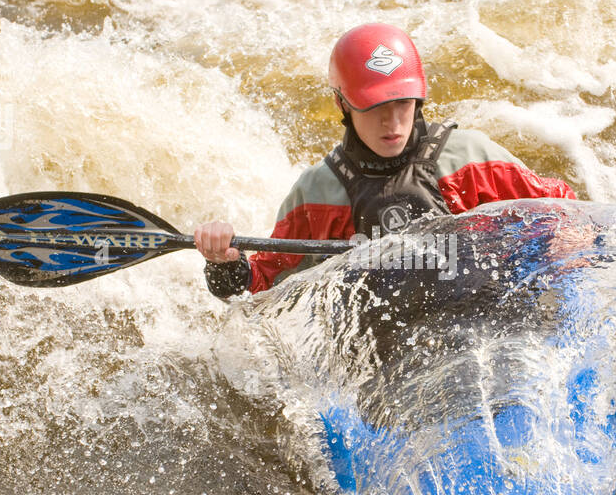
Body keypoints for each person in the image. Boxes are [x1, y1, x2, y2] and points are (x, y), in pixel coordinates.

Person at [195, 23, 577, 298]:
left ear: (419, 98)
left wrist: (566, 241)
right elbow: (259, 286)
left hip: (483, 317)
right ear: (341, 104)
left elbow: (564, 209)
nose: (392, 123)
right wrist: (225, 263)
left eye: (402, 104)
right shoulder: (316, 195)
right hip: (388, 350)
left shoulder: (472, 160)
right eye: (375, 107)